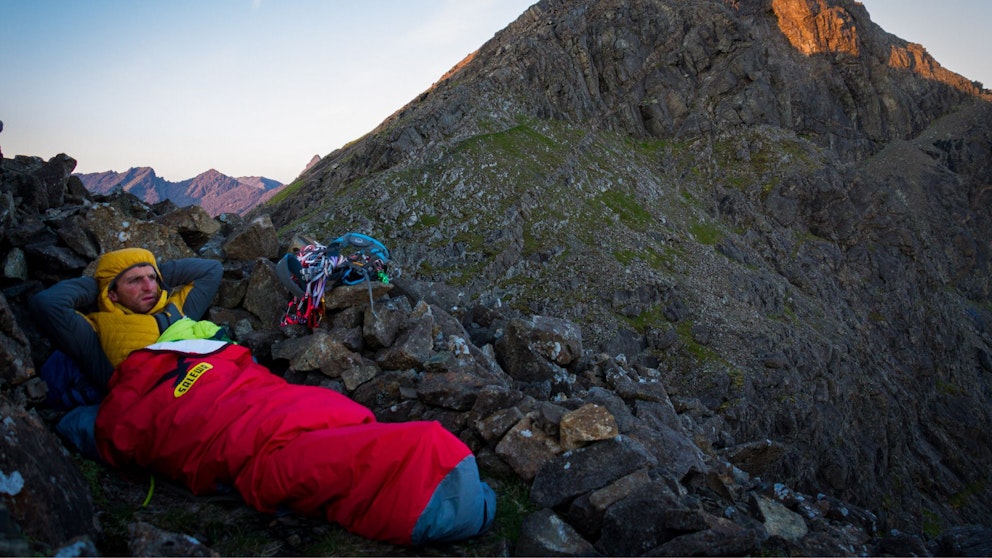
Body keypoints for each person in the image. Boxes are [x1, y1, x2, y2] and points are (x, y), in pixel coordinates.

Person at [31, 247, 495, 546]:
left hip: (229, 380)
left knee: (327, 411)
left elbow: (209, 270)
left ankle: (416, 468)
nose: (149, 287)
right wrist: (100, 283)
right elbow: (47, 304)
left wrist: (150, 269)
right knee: (277, 455)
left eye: (152, 278)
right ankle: (428, 484)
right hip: (175, 396)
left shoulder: (175, 306)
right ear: (110, 292)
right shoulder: (99, 335)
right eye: (135, 282)